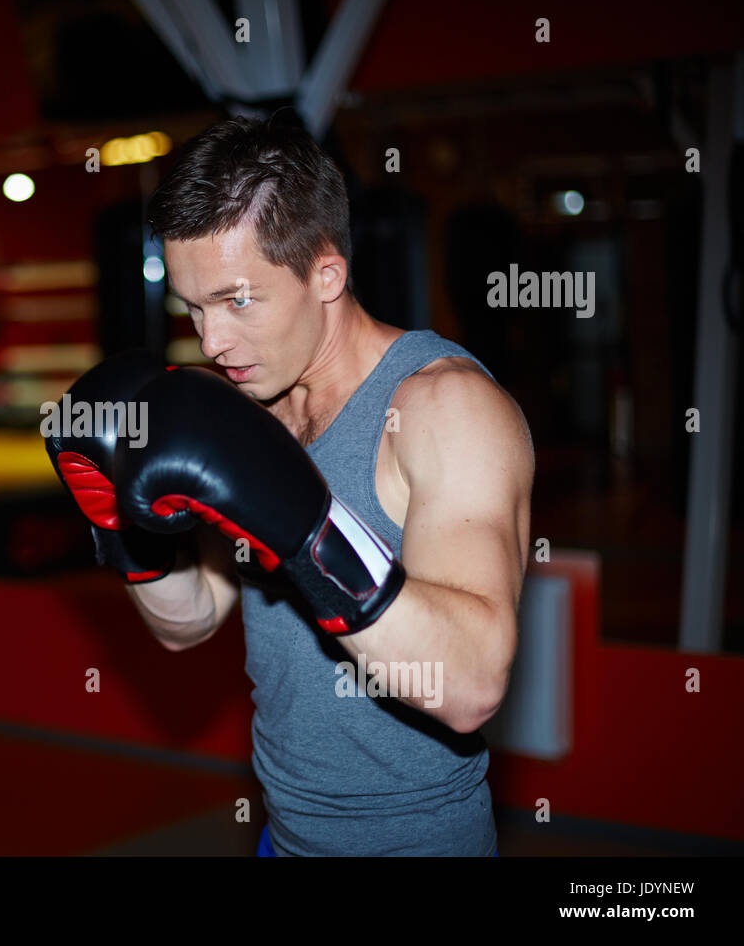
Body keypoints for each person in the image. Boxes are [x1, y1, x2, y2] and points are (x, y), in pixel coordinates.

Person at [52, 114, 534, 856]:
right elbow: (191, 620)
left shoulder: (444, 408)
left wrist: (310, 530)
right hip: (285, 839)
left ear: (326, 273)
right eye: (195, 307)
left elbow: (471, 687)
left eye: (237, 301)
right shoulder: (246, 412)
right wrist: (123, 532)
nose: (212, 342)